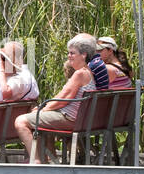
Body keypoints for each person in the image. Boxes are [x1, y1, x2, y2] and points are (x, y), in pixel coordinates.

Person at [14, 34, 98, 165]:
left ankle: (35, 160)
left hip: (71, 119)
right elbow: (62, 96)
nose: (69, 56)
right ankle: (49, 159)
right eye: (69, 53)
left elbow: (63, 100)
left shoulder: (80, 73)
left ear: (84, 55)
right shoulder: (89, 71)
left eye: (72, 53)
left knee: (21, 121)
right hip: (79, 119)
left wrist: (43, 110)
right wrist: (43, 109)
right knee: (40, 117)